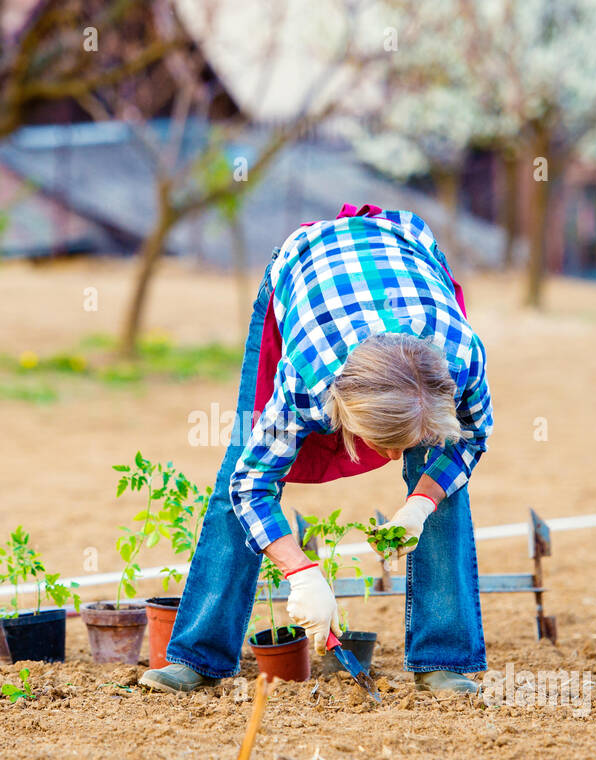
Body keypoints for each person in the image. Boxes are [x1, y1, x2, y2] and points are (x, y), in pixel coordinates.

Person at [138, 205, 491, 695]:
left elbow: (473, 438)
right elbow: (252, 484)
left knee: (444, 479)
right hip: (307, 268)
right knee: (236, 470)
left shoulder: (462, 357)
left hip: (405, 250)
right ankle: (199, 655)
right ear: (339, 414)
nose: (391, 459)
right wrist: (301, 573)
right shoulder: (309, 375)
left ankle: (444, 660)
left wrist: (420, 503)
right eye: (380, 444)